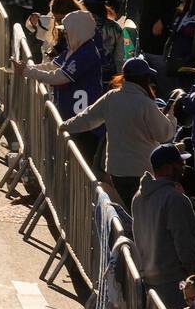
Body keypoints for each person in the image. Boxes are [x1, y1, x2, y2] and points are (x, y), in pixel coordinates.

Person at [61, 56, 175, 209]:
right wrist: (171, 118)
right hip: (142, 170)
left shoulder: (111, 98)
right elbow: (164, 135)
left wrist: (64, 126)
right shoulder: (146, 104)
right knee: (140, 213)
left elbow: (87, 119)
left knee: (128, 209)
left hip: (117, 171)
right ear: (144, 79)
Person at [16, 9, 104, 161]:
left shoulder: (86, 53)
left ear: (78, 31)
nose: (65, 35)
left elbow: (59, 77)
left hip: (83, 124)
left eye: (67, 32)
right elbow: (52, 66)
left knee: (79, 164)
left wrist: (27, 72)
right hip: (72, 117)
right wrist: (28, 68)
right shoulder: (74, 50)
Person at [131, 143, 195, 309]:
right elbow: (183, 242)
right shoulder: (176, 199)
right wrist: (192, 272)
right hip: (175, 281)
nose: (183, 167)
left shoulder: (138, 197)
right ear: (169, 168)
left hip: (148, 277)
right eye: (180, 163)